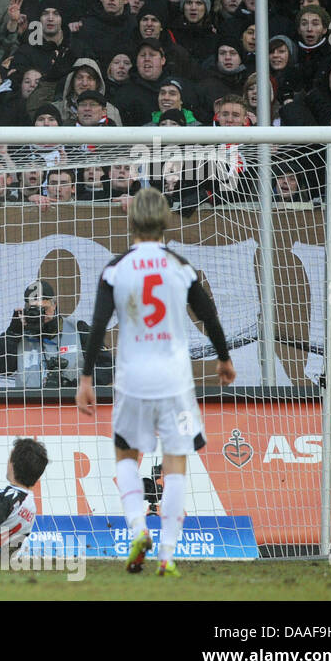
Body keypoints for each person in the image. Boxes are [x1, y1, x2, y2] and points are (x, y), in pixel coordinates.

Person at [75, 187, 236, 578]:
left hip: (132, 381)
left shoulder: (116, 269)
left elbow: (98, 325)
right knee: (176, 461)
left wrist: (85, 376)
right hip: (175, 381)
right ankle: (167, 553)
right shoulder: (180, 267)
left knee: (126, 456)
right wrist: (223, 357)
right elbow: (208, 314)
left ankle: (137, 528)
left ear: (131, 221)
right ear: (166, 220)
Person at [0, 279, 113, 388]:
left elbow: (108, 367)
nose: (41, 315)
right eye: (35, 310)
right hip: (28, 409)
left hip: (72, 408)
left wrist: (74, 386)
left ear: (54, 305)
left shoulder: (78, 329)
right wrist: (12, 333)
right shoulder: (19, 335)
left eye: (44, 309)